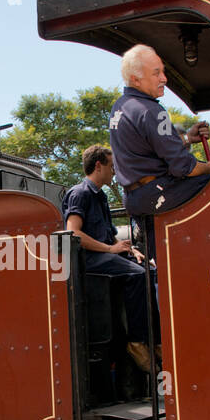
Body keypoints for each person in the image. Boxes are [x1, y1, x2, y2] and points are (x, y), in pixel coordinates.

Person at [61, 145, 158, 372]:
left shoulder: (101, 195)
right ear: (98, 165)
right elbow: (73, 232)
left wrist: (128, 250)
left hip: (104, 255)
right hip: (89, 261)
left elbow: (109, 236)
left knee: (149, 269)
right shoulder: (80, 193)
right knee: (139, 275)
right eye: (111, 166)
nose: (114, 171)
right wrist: (109, 249)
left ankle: (156, 340)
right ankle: (137, 341)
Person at [109, 44, 210, 219]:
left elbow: (147, 148)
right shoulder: (153, 111)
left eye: (163, 72)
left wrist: (188, 138)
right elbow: (184, 168)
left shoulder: (120, 106)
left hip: (134, 198)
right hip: (156, 193)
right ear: (136, 80)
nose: (164, 79)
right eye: (156, 73)